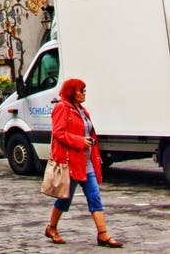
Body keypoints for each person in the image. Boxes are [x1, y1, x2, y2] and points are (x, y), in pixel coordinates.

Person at [44, 78, 123, 247]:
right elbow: (58, 133)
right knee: (65, 198)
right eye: (81, 90)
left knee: (95, 196)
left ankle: (103, 234)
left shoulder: (82, 110)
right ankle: (51, 227)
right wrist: (80, 141)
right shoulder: (62, 108)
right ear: (72, 92)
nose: (84, 93)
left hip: (85, 162)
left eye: (84, 90)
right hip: (71, 162)